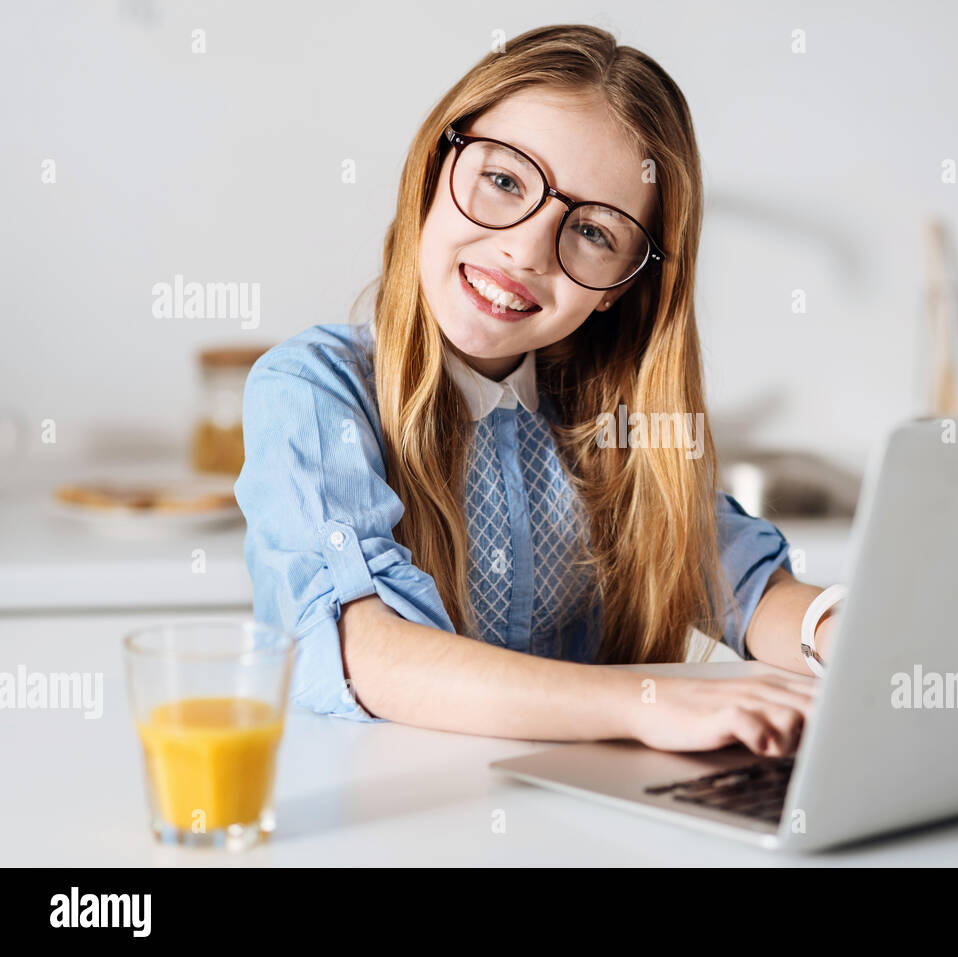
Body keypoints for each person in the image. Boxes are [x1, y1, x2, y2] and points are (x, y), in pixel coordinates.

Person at [234, 24, 843, 758]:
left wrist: (846, 633)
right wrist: (644, 703)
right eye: (503, 181)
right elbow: (370, 651)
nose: (524, 251)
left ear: (622, 286)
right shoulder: (311, 389)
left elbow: (733, 580)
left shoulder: (607, 422)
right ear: (435, 167)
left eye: (591, 230)